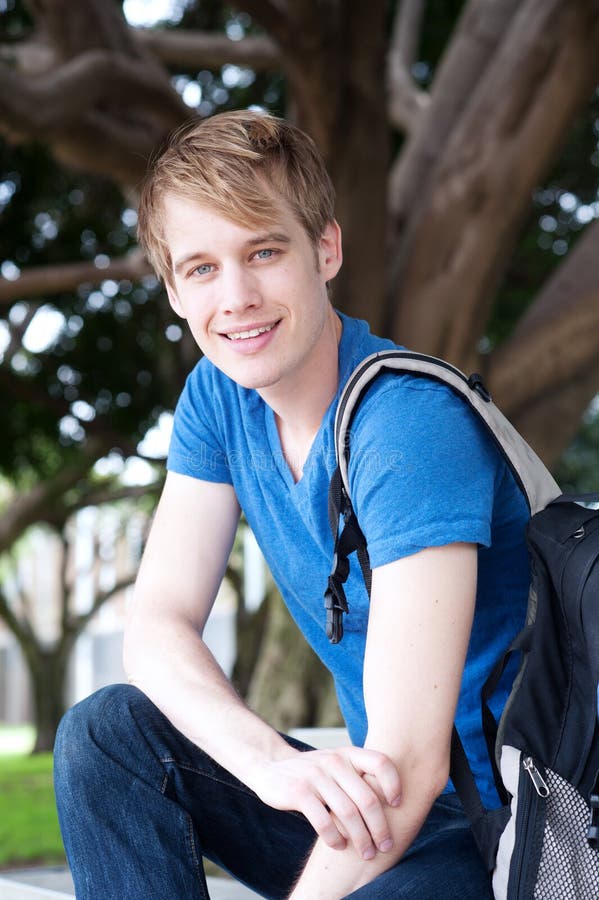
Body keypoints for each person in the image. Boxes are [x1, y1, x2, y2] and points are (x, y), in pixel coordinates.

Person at [53, 110, 531, 900]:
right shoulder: (219, 397)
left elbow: (413, 770)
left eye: (264, 251)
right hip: (367, 806)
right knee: (107, 732)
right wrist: (270, 763)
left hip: (494, 829)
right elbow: (158, 623)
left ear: (326, 249)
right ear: (174, 290)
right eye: (201, 268)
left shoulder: (405, 424)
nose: (236, 297)